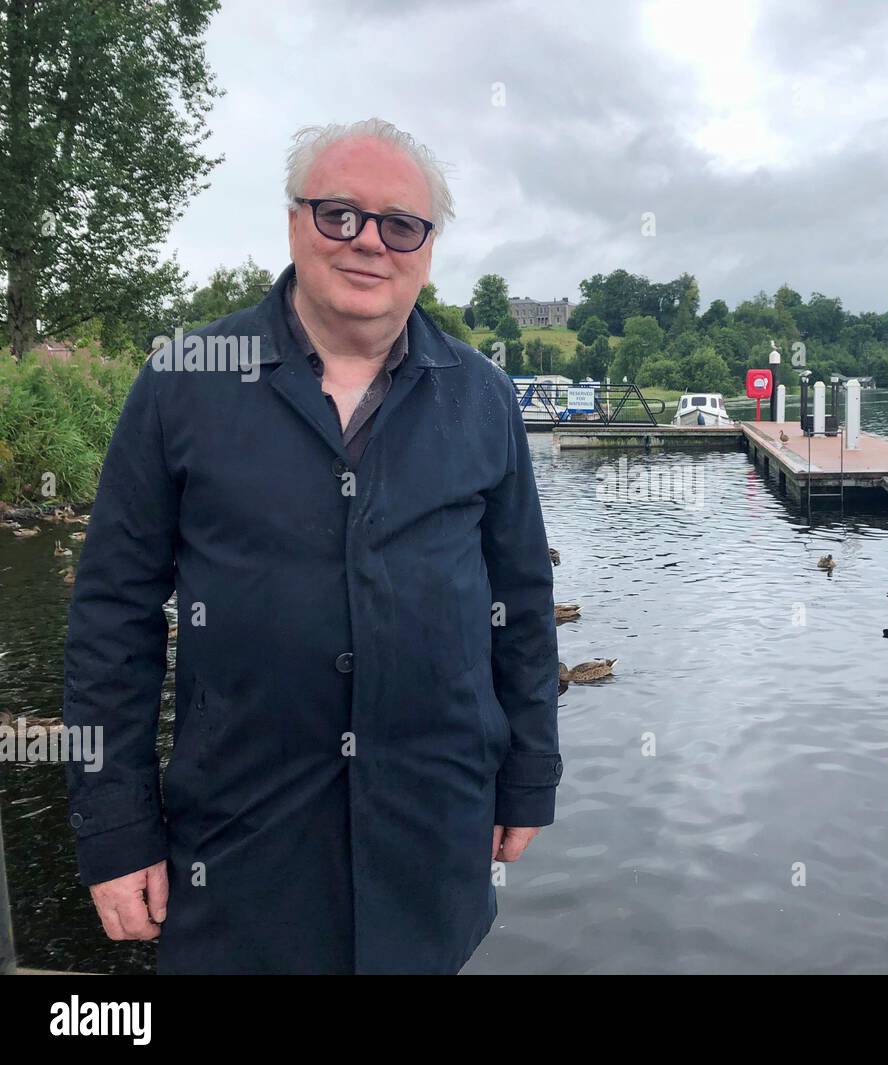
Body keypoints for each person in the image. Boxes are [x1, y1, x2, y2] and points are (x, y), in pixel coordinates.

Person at [62, 118, 562, 974]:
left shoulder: (481, 398)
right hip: (239, 846)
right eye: (340, 214)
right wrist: (112, 825)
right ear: (296, 221)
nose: (369, 241)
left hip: (430, 838)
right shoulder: (185, 380)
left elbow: (519, 598)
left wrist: (528, 774)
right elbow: (114, 612)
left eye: (399, 224)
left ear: (427, 248)